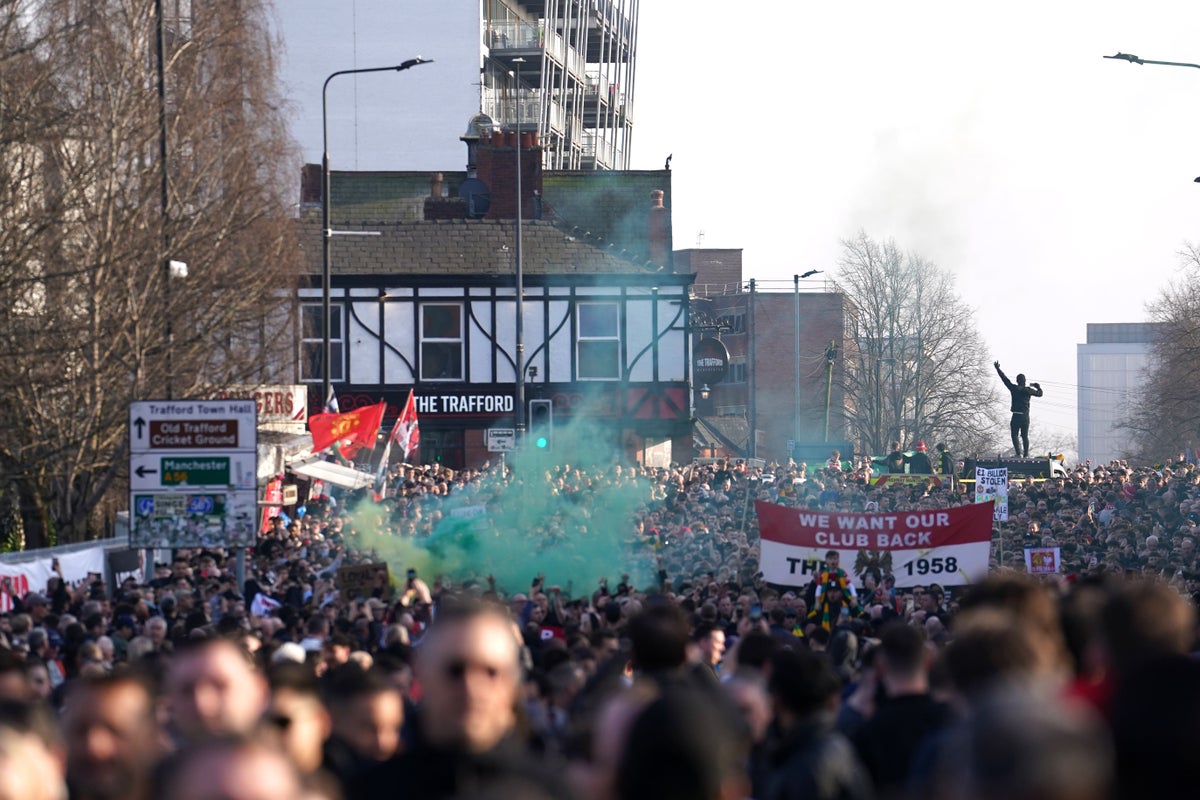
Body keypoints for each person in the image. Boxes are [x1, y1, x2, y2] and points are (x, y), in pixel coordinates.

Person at [994, 360, 1043, 458]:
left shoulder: (1014, 388)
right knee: (1024, 436)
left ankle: (1018, 453)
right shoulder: (1028, 390)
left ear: (1017, 381)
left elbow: (1005, 379)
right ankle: (1026, 454)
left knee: (1014, 434)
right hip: (1025, 416)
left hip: (1016, 415)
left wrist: (998, 369)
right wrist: (1038, 387)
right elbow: (1040, 394)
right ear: (1025, 381)